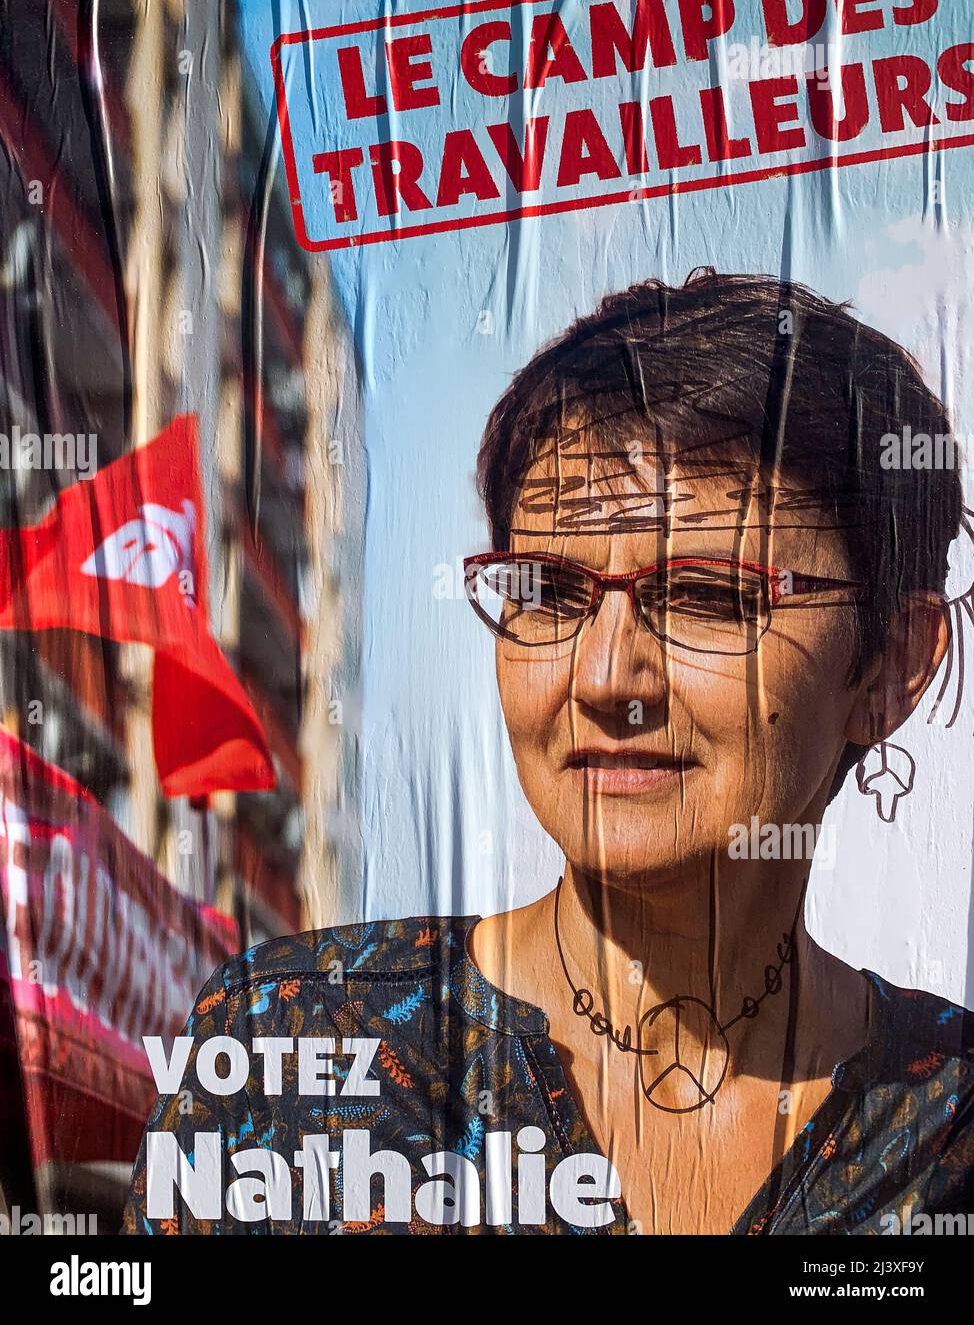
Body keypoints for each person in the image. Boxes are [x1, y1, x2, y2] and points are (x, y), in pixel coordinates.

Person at [123, 270, 974, 1235]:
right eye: (549, 590)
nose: (608, 676)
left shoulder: (948, 1126)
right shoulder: (293, 1053)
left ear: (891, 665)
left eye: (706, 593)